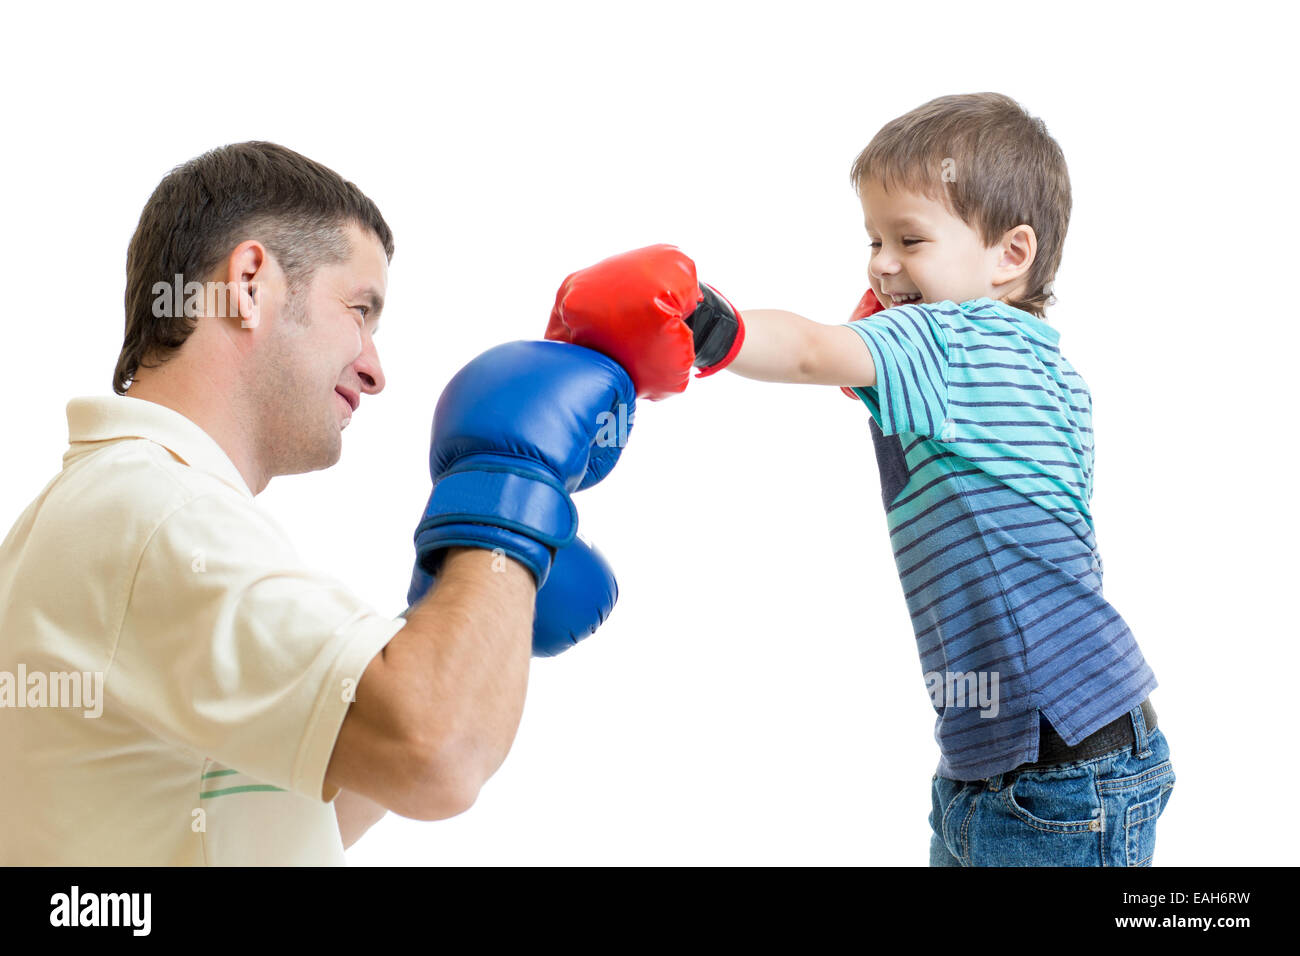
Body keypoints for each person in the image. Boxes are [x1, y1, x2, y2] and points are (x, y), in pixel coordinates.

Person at [542, 93, 1175, 866]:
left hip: (1055, 768)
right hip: (1026, 754)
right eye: (873, 238)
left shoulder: (952, 339)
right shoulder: (1042, 363)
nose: (881, 263)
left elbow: (810, 350)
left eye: (910, 238)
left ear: (1012, 255)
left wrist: (704, 322)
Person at [0, 141, 633, 865]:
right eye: (359, 309)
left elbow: (272, 819)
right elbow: (439, 755)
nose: (374, 367)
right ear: (249, 283)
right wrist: (507, 510)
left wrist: (478, 629)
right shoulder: (159, 513)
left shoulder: (113, 508)